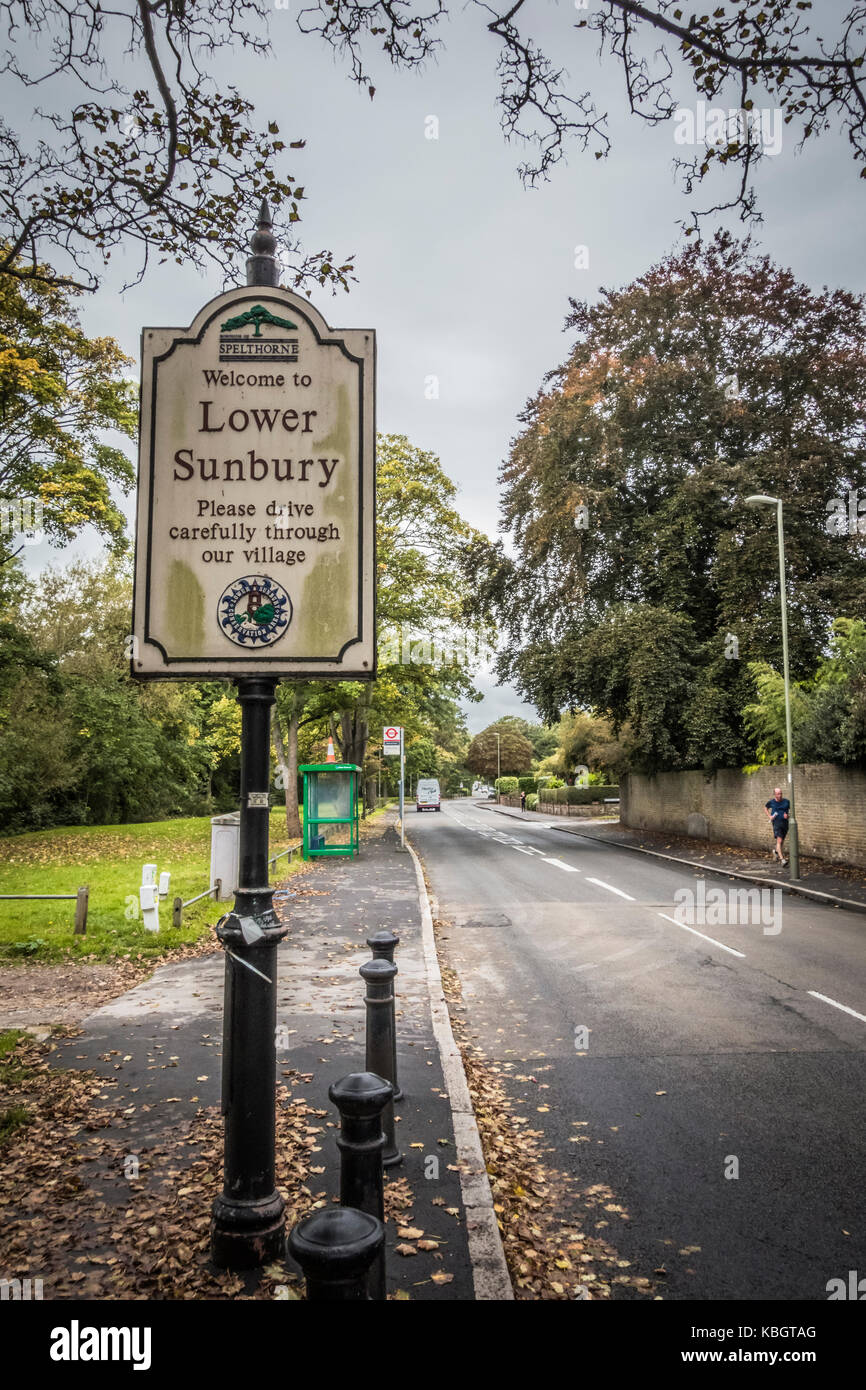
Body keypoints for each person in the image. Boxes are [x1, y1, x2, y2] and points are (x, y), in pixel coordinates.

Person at [764, 786, 790, 866]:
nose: (780, 795)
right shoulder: (771, 802)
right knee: (779, 840)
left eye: (781, 793)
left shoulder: (787, 802)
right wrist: (770, 816)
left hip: (785, 823)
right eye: (778, 794)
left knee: (782, 841)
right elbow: (765, 808)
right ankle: (782, 860)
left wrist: (788, 815)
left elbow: (790, 811)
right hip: (776, 823)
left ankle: (775, 851)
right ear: (775, 794)